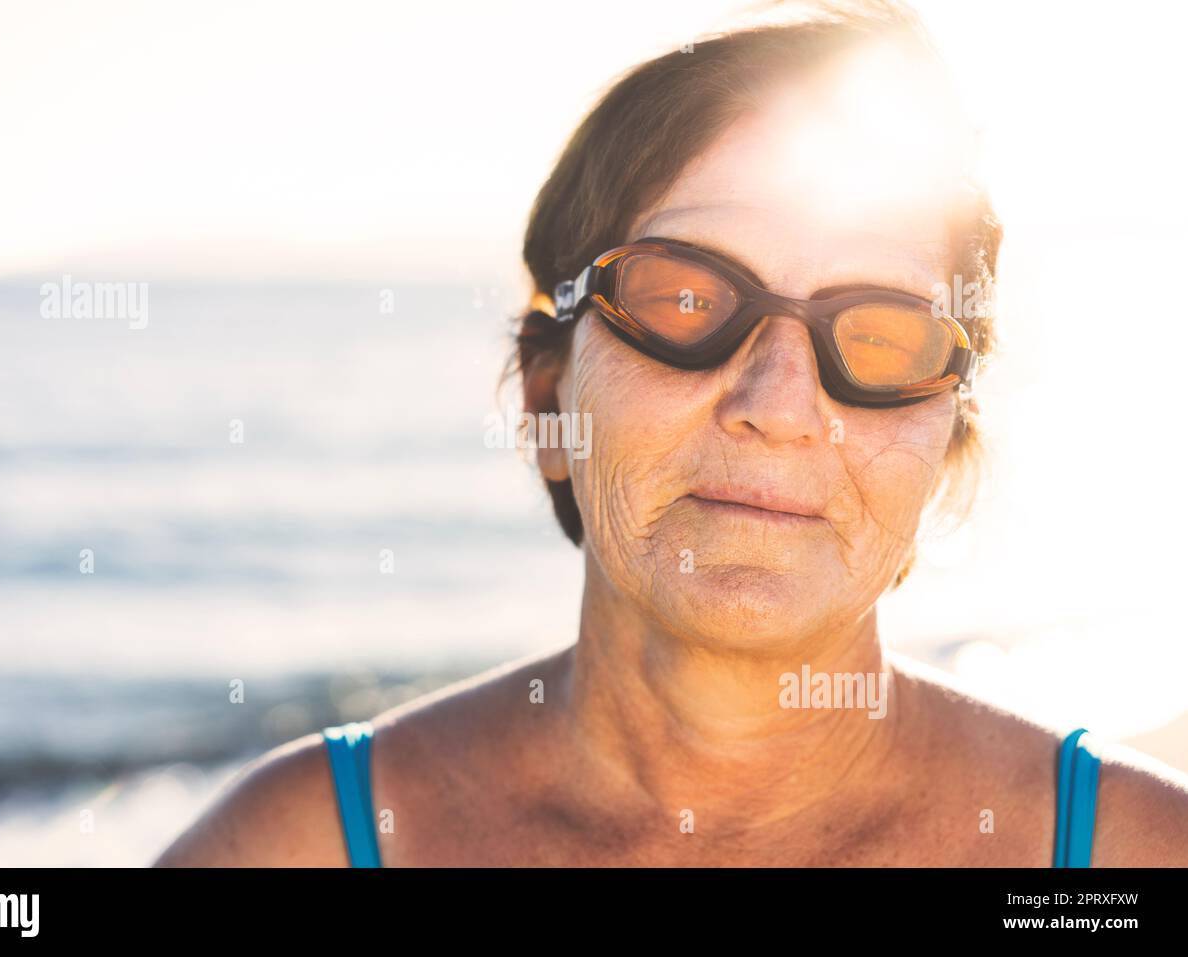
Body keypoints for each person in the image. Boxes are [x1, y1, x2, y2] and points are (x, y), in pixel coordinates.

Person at [156, 0, 1188, 867]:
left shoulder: (1117, 858)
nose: (778, 402)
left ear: (946, 458)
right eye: (687, 301)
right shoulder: (308, 849)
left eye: (877, 338)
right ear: (545, 398)